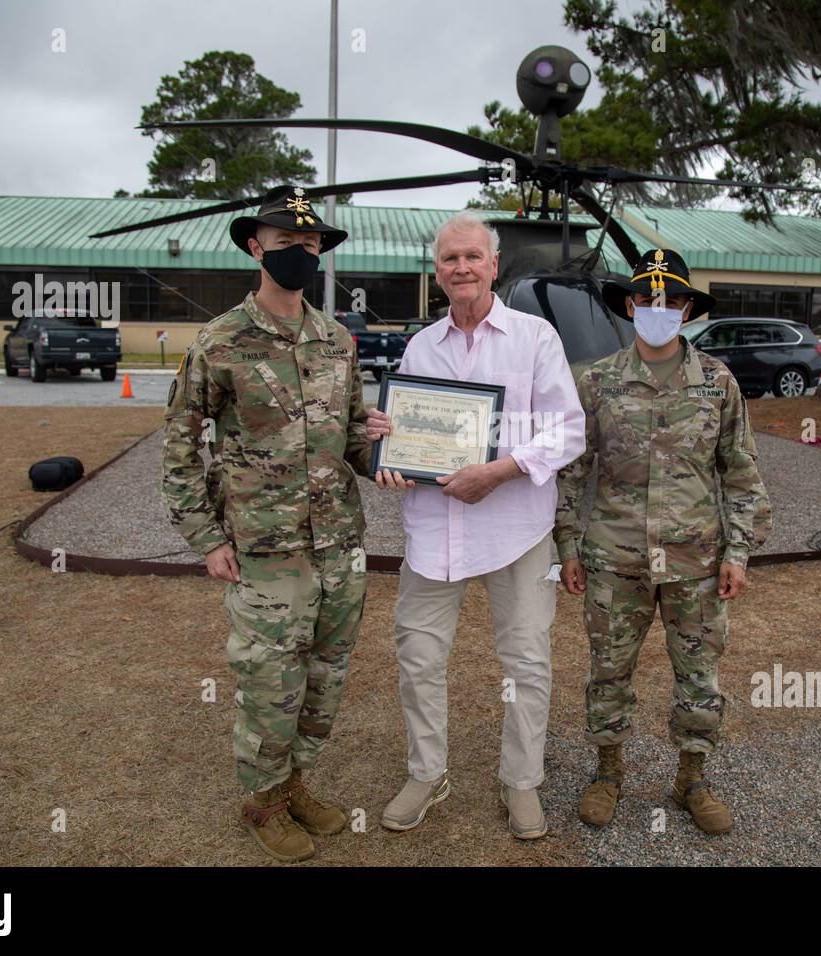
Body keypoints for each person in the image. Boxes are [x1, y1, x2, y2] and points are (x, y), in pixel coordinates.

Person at [162, 185, 373, 862]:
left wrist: (400, 452)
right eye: (287, 245)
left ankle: (295, 784)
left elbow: (351, 442)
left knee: (325, 678)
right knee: (269, 685)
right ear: (256, 247)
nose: (300, 256)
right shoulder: (220, 341)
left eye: (310, 246)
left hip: (338, 546)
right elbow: (180, 444)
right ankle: (261, 802)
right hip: (265, 551)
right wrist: (205, 538)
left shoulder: (337, 341)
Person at [366, 211, 585, 839]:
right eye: (448, 260)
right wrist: (389, 446)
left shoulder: (534, 337)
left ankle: (522, 782)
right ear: (438, 273)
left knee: (526, 662)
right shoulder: (421, 345)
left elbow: (568, 430)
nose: (460, 267)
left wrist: (502, 470)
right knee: (419, 656)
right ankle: (427, 772)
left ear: (493, 265)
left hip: (516, 530)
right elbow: (408, 429)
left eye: (471, 257)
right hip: (433, 532)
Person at [554, 248, 772, 834]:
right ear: (629, 305)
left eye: (670, 299)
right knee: (609, 669)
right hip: (614, 559)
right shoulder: (595, 382)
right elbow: (572, 471)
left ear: (687, 309)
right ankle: (607, 771)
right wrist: (567, 548)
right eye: (647, 298)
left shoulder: (717, 383)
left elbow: (742, 472)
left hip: (695, 561)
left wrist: (739, 551)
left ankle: (692, 779)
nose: (658, 307)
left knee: (699, 675)